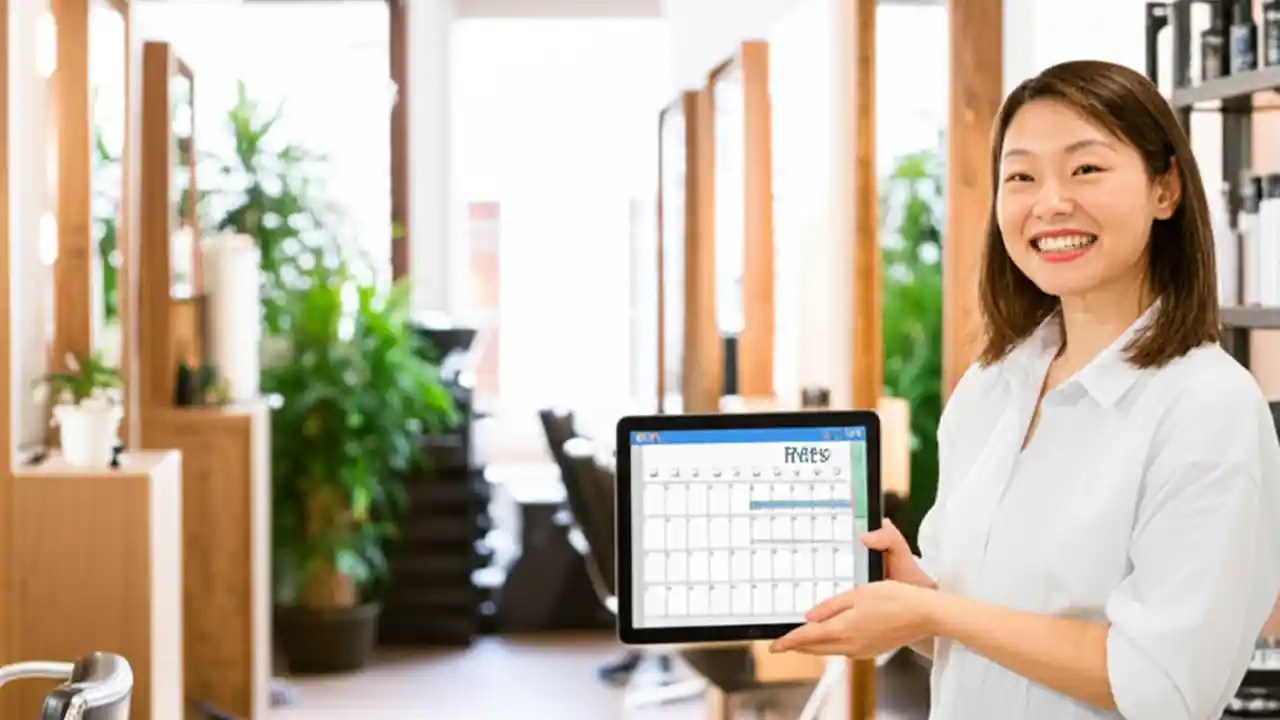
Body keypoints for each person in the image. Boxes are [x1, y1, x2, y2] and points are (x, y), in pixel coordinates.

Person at [770, 59, 1280, 719]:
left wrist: (937, 609)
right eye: (1021, 175)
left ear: (1165, 189)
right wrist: (912, 599)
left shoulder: (1209, 406)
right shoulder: (989, 388)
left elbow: (1163, 686)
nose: (1050, 202)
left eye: (1085, 168)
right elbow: (976, 634)